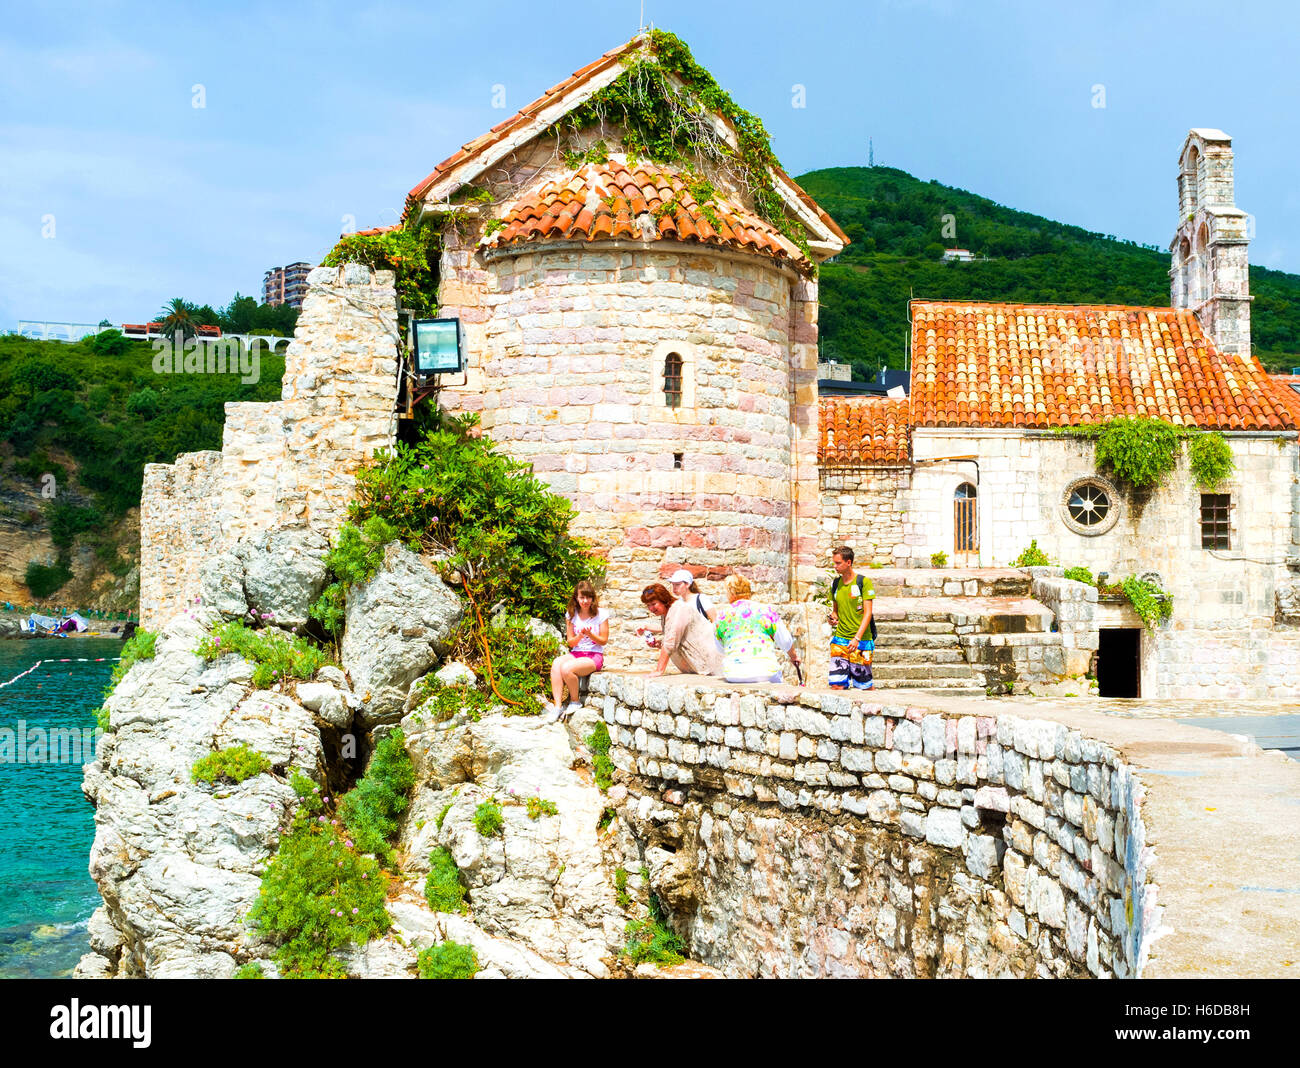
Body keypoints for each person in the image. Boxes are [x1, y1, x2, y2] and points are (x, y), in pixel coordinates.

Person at [713, 573, 800, 684]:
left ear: (731, 593)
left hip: (734, 674)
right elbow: (786, 641)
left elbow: (721, 648)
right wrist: (794, 657)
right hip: (766, 672)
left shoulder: (721, 616)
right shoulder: (766, 611)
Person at [545, 580, 608, 722]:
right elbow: (570, 642)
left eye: (588, 597)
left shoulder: (601, 614)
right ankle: (557, 706)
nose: (585, 601)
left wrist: (590, 635)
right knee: (556, 664)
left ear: (592, 598)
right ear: (576, 598)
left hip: (594, 655)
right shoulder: (571, 614)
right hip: (577, 653)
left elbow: (604, 640)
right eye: (582, 597)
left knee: (567, 669)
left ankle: (575, 701)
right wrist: (580, 635)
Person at [641, 576, 722, 677]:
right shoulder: (667, 613)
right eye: (648, 605)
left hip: (711, 664)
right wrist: (660, 643)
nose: (651, 608)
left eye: (653, 604)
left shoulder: (679, 609)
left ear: (663, 600)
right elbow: (677, 638)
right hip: (702, 667)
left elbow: (671, 642)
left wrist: (659, 670)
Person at [828, 545, 875, 690]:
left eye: (838, 563)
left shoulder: (863, 582)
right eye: (834, 563)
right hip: (840, 639)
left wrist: (857, 638)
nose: (835, 567)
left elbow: (868, 613)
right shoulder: (836, 583)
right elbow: (835, 610)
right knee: (836, 685)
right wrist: (832, 617)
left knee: (864, 686)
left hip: (861, 641)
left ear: (848, 562)